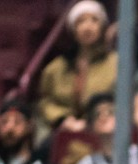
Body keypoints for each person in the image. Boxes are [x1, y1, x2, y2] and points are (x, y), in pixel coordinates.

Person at [35, 1, 117, 137]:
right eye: (81, 21)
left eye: (94, 20)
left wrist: (95, 121)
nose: (87, 27)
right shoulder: (56, 67)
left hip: (105, 130)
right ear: (73, 30)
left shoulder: (116, 63)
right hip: (64, 130)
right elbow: (45, 101)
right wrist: (63, 119)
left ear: (102, 27)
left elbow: (122, 100)